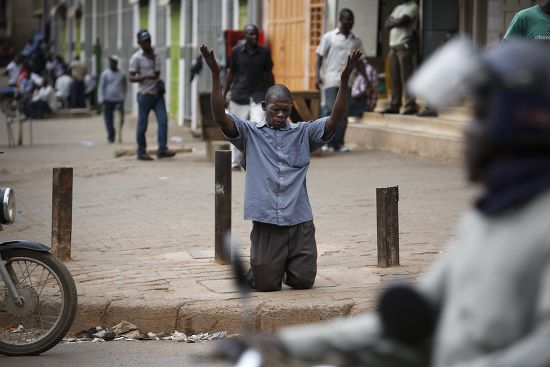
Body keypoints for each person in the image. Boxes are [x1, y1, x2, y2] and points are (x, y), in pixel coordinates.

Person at [218, 40, 550, 367]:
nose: (468, 135)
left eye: (481, 116)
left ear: (522, 122)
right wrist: (285, 345)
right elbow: (413, 311)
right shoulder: (484, 220)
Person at [201, 43, 362, 292]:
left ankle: (284, 264)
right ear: (264, 107)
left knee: (303, 281)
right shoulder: (249, 133)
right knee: (266, 285)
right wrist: (214, 74)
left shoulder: (303, 132)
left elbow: (334, 120)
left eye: (285, 111)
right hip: (267, 220)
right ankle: (264, 267)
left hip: (299, 219)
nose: (280, 115)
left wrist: (343, 82)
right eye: (275, 109)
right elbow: (220, 116)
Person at [223, 24, 275, 170]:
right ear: (245, 36)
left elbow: (269, 74)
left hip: (259, 96)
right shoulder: (236, 52)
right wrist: (223, 95)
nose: (254, 37)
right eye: (251, 34)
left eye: (256, 34)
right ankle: (235, 162)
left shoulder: (264, 53)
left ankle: (254, 161)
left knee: (258, 127)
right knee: (235, 129)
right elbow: (230, 74)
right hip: (239, 95)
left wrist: (273, 94)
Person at [316, 8, 365, 153]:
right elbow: (319, 57)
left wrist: (366, 79)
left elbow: (359, 62)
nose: (350, 22)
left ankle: (339, 143)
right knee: (330, 110)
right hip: (331, 79)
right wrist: (317, 75)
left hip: (347, 81)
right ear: (340, 19)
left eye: (352, 20)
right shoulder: (329, 37)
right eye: (347, 19)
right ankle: (325, 141)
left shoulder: (356, 40)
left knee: (344, 111)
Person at [129, 29, 175, 161]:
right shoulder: (136, 58)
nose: (147, 43)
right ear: (139, 43)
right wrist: (144, 77)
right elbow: (131, 77)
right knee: (142, 125)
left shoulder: (156, 54)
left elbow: (157, 74)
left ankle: (162, 149)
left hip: (157, 95)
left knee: (163, 121)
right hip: (145, 95)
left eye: (148, 40)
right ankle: (141, 151)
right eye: (144, 41)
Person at [383, 0, 419, 115]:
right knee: (394, 77)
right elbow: (386, 24)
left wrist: (393, 22)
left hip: (404, 45)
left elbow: (405, 20)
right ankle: (395, 105)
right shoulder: (398, 7)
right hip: (393, 46)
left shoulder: (413, 6)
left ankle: (410, 105)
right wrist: (396, 22)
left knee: (407, 77)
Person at [98, 55, 127, 143]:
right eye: (110, 62)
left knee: (121, 118)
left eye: (113, 62)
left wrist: (123, 96)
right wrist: (100, 98)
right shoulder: (105, 74)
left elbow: (125, 86)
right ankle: (111, 135)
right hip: (107, 100)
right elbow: (101, 87)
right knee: (108, 119)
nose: (111, 64)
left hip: (118, 99)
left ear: (116, 63)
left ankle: (119, 133)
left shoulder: (122, 74)